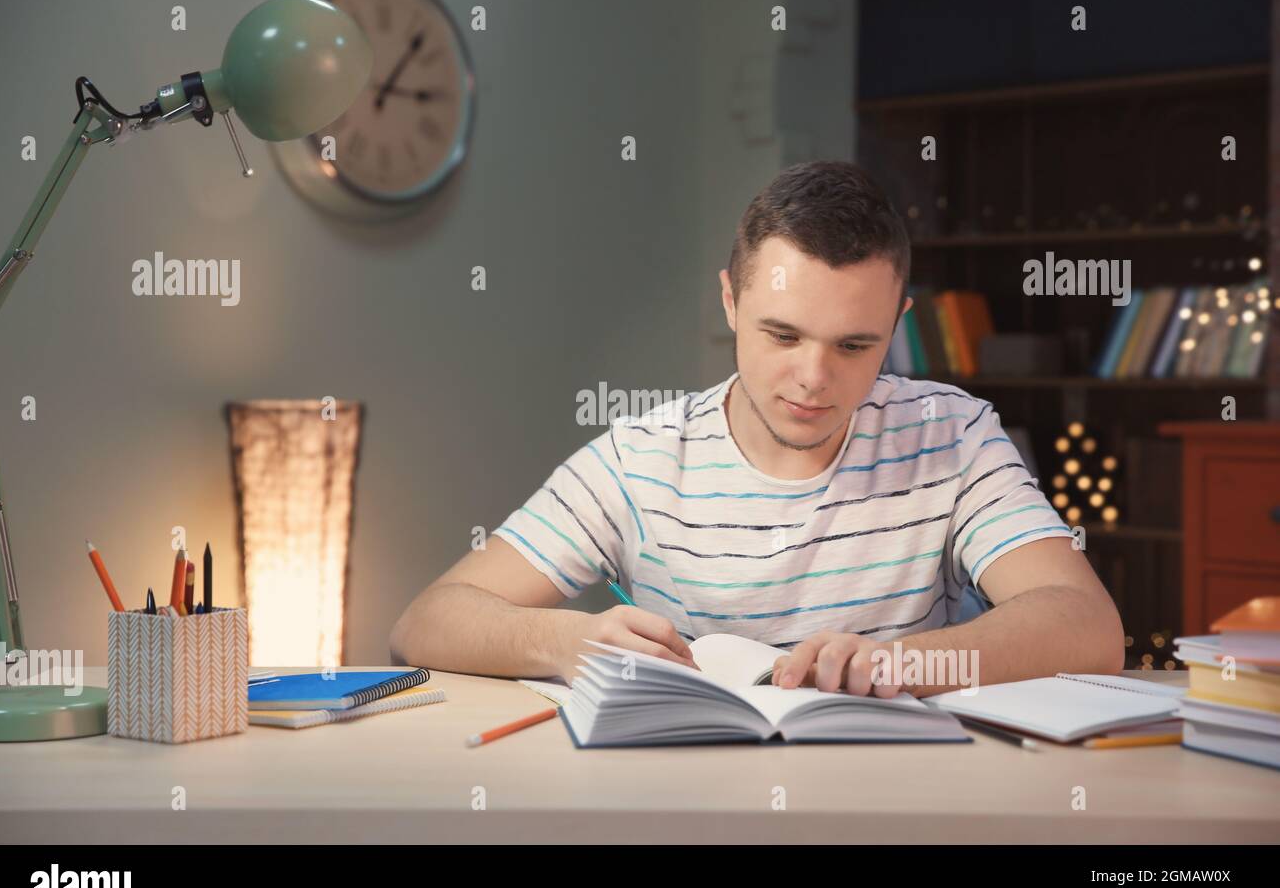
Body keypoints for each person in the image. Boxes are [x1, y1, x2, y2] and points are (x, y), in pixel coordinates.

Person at [389, 160, 1124, 698]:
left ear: (898, 325)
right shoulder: (640, 458)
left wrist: (897, 665)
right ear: (731, 302)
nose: (813, 377)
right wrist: (564, 638)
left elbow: (1086, 626)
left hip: (896, 800)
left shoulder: (952, 433)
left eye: (854, 346)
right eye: (782, 335)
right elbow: (427, 622)